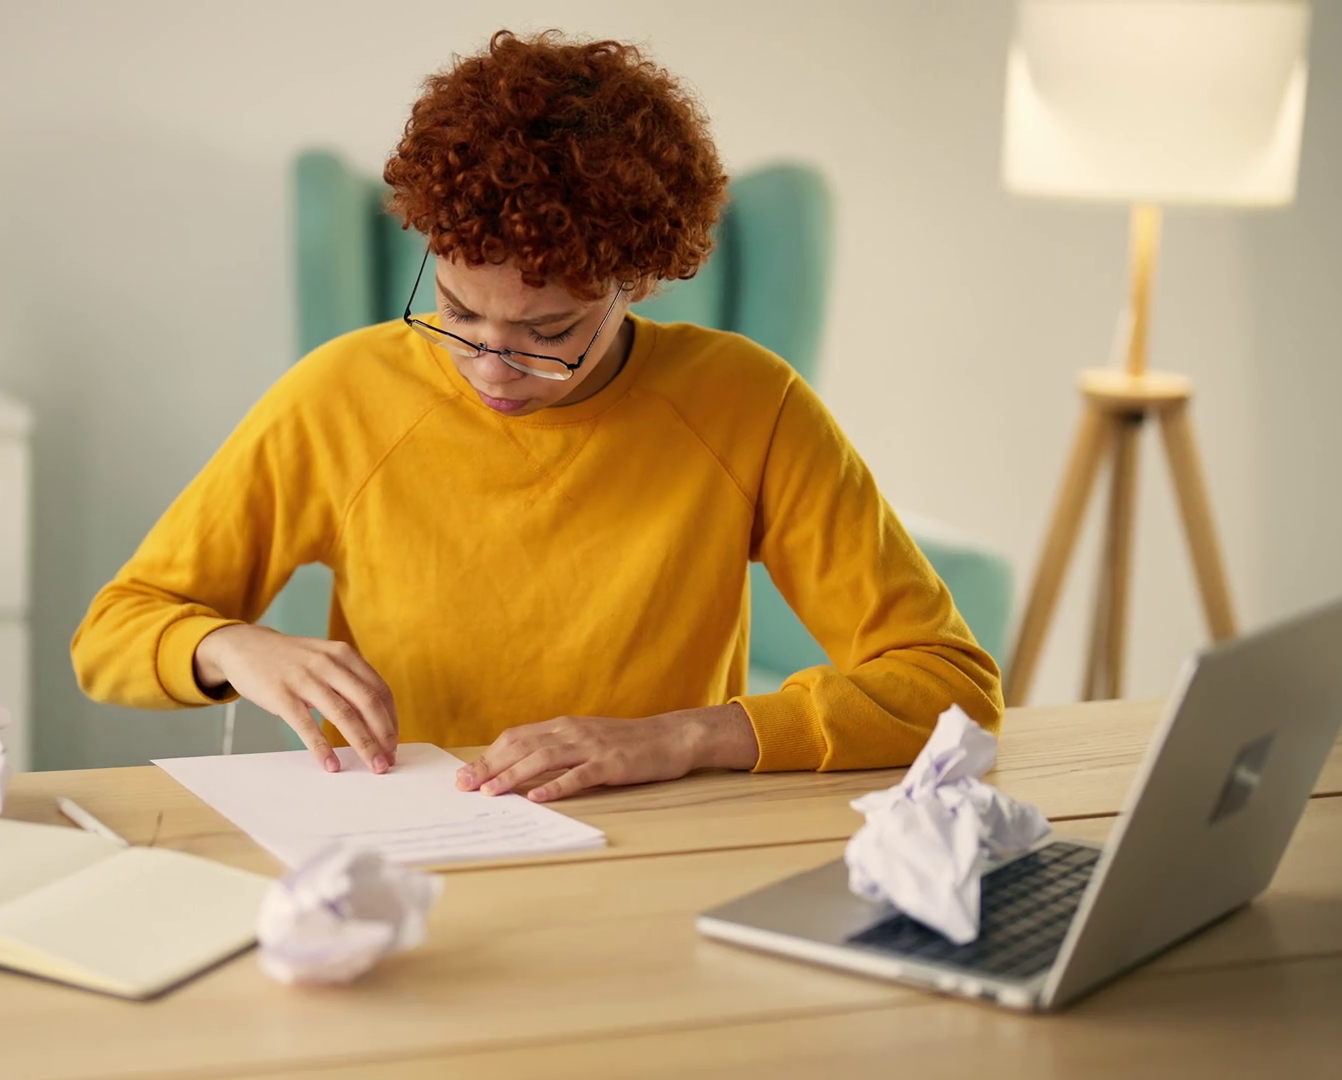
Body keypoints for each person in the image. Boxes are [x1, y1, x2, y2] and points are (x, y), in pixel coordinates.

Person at [72, 29, 1001, 803]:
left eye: (547, 331)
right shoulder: (341, 395)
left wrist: (681, 738)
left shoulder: (748, 405)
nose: (488, 367)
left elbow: (949, 686)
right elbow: (114, 632)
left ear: (637, 282)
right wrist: (231, 645)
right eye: (457, 311)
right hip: (404, 849)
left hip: (666, 843)